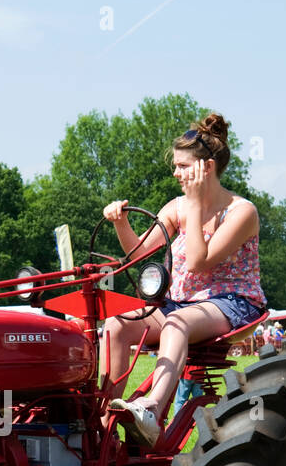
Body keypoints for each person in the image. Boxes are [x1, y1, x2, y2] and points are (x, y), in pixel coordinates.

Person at [101, 113, 267, 446]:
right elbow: (136, 254)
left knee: (176, 323)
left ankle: (151, 407)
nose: (175, 173)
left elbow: (198, 261)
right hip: (180, 302)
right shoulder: (176, 207)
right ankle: (101, 423)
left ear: (206, 167)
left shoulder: (241, 212)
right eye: (175, 165)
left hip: (231, 302)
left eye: (182, 166)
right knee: (116, 323)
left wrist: (193, 206)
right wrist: (120, 223)